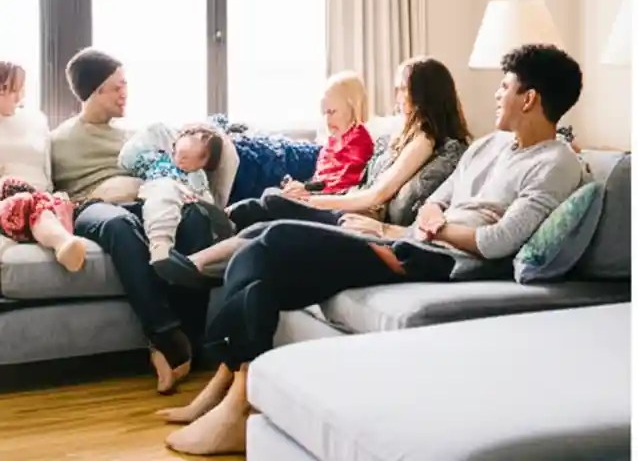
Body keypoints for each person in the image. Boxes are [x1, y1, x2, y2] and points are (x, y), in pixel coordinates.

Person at [159, 44, 587, 456]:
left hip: (439, 262)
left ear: (529, 98)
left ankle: (235, 402)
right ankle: (231, 390)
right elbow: (438, 197)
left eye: (505, 85)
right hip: (414, 242)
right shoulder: (487, 146)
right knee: (264, 255)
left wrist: (433, 229)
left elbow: (497, 242)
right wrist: (425, 221)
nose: (496, 93)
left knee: (273, 240)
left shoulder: (557, 163)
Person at [152, 57, 471, 285]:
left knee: (271, 211)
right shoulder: (399, 137)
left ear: (425, 94)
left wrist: (315, 203)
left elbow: (378, 194)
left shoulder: (427, 140)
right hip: (356, 207)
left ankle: (197, 261)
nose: (397, 97)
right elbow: (360, 183)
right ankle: (194, 263)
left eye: (403, 89)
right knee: (263, 215)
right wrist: (312, 192)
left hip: (365, 218)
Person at [51, 48, 235, 394]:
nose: (125, 93)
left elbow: (173, 164)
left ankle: (188, 340)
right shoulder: (59, 140)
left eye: (126, 85)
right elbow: (50, 194)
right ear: (95, 91)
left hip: (143, 203)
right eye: (117, 86)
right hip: (93, 208)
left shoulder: (131, 136)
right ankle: (165, 333)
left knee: (194, 218)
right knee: (119, 225)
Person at [0, 62, 87, 271]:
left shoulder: (36, 120)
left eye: (19, 89)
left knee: (38, 201)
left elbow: (46, 169)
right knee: (19, 196)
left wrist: (53, 195)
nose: (18, 96)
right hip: (4, 199)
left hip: (41, 198)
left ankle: (63, 241)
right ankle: (63, 244)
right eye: (10, 90)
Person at [119, 123, 224, 264]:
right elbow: (127, 159)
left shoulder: (197, 177)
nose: (182, 160)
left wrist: (198, 199)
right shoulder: (158, 158)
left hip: (184, 205)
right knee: (165, 190)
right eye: (181, 155)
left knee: (200, 213)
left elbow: (207, 201)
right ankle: (160, 248)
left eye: (199, 157)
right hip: (156, 194)